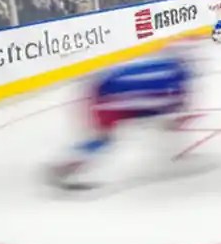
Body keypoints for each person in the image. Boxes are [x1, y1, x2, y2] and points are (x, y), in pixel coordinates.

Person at [48, 44, 193, 189]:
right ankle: (64, 167)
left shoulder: (162, 69)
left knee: (104, 137)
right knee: (104, 139)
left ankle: (66, 166)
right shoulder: (171, 85)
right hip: (109, 100)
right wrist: (169, 120)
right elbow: (151, 105)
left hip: (106, 90)